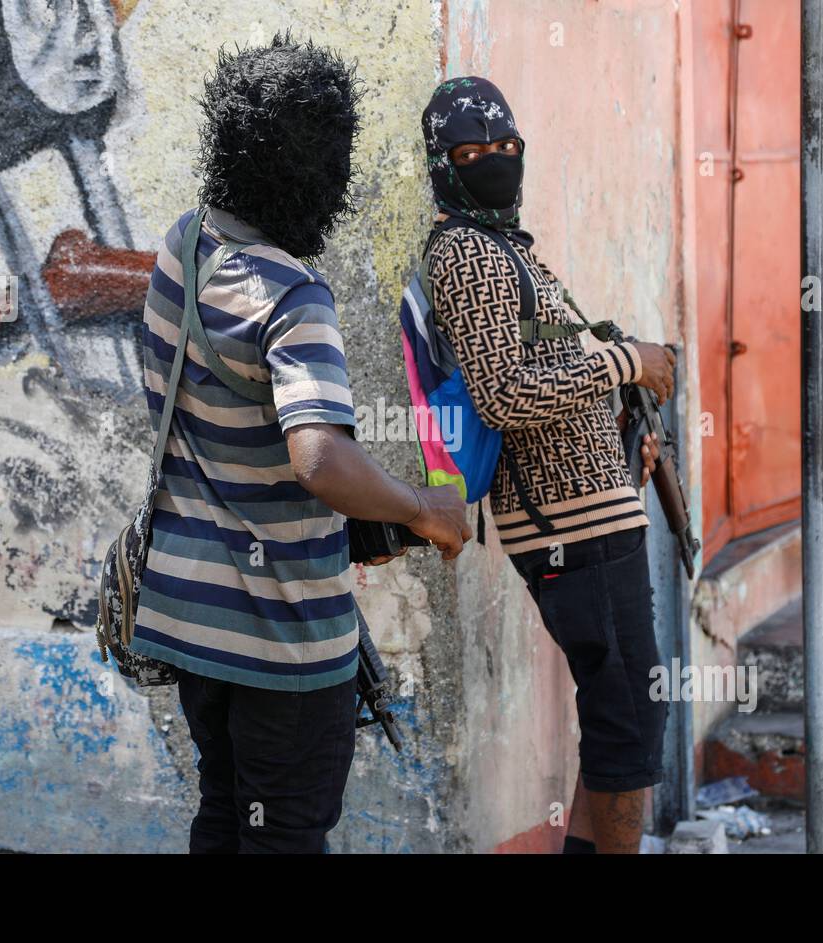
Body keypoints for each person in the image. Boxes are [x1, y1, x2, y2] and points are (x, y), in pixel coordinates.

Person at [131, 35, 471, 854]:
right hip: (281, 637)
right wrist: (424, 507)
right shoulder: (292, 293)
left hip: (190, 620)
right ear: (320, 169)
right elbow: (317, 456)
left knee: (223, 812)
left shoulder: (183, 246)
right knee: (286, 833)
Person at [420, 76, 676, 854]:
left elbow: (545, 381)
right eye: (472, 151)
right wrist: (626, 361)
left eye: (506, 148)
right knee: (628, 711)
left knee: (618, 711)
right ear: (442, 163)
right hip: (567, 528)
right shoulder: (465, 251)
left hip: (594, 512)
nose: (495, 162)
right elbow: (503, 393)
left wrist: (620, 441)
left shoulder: (506, 250)